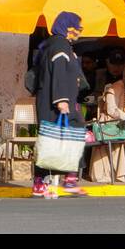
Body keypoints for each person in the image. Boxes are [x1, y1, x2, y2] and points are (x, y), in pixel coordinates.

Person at [31, 11, 90, 199]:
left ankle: (59, 181)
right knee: (56, 140)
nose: (79, 32)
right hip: (57, 103)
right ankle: (65, 181)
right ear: (67, 27)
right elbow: (59, 73)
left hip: (58, 102)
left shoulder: (56, 45)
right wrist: (61, 99)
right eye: (77, 27)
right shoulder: (59, 46)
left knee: (58, 139)